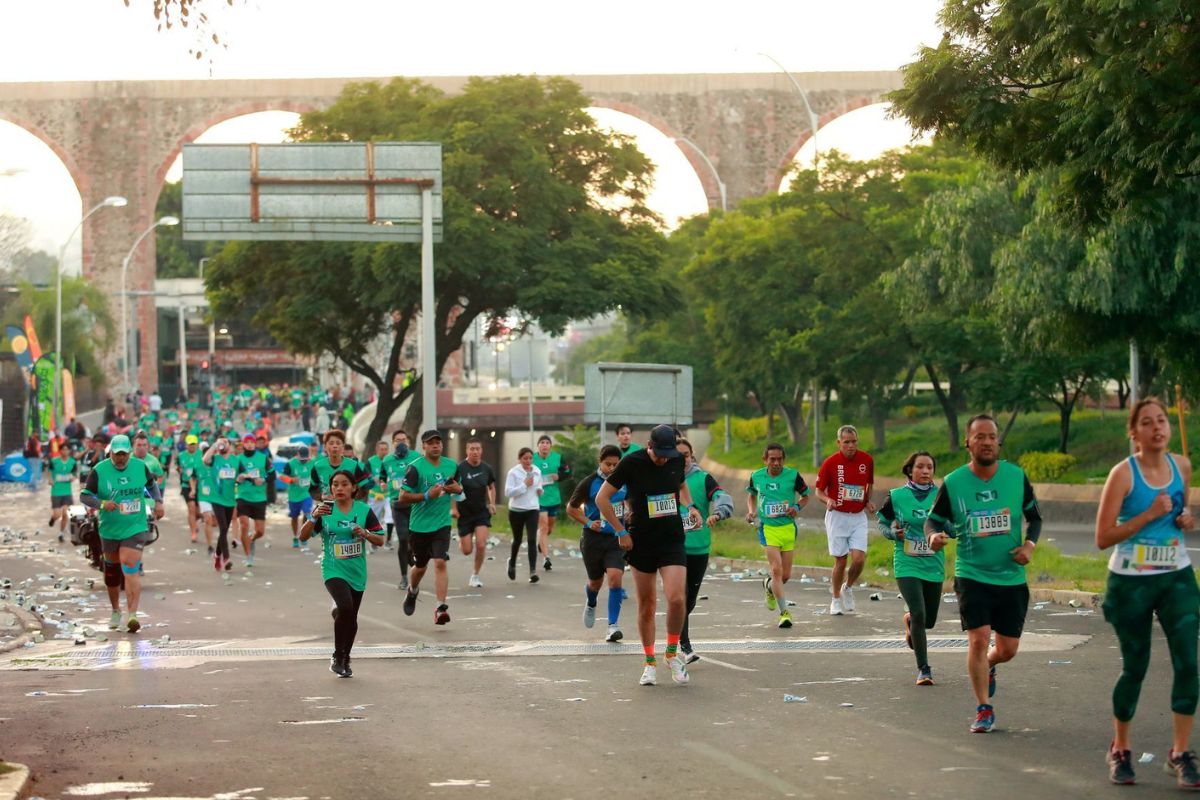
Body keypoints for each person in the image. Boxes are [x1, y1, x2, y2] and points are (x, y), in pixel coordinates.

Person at [1095, 397, 1200, 787]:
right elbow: (1103, 536)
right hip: (1131, 581)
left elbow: (1181, 513)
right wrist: (1149, 515)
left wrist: (1185, 519)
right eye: (1147, 422)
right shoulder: (1123, 474)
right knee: (1135, 667)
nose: (1157, 427)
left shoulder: (1182, 466)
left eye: (1162, 420)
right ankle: (1120, 748)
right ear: (1134, 432)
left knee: (1188, 664)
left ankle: (1180, 753)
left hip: (1176, 576)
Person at [925, 414, 1041, 734]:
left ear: (998, 442)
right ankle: (983, 709)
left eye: (991, 436)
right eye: (980, 437)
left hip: (1011, 576)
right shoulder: (954, 482)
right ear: (968, 443)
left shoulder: (1016, 477)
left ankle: (990, 663)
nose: (987, 442)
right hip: (972, 574)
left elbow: (1035, 517)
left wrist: (1029, 545)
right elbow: (933, 520)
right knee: (978, 639)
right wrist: (933, 537)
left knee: (1007, 650)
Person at [596, 424, 701, 687]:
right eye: (659, 454)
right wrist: (620, 531)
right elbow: (601, 498)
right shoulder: (631, 463)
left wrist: (691, 506)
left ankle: (671, 654)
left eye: (668, 454)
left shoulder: (675, 459)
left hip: (671, 539)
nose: (664, 459)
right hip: (641, 541)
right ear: (649, 446)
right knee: (648, 604)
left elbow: (681, 485)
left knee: (677, 598)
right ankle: (650, 662)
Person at [299, 469, 384, 678]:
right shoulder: (325, 510)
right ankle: (337, 656)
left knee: (351, 616)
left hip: (357, 570)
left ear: (354, 487)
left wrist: (365, 533)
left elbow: (380, 539)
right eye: (335, 484)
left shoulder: (364, 510)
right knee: (345, 606)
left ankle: (346, 658)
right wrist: (313, 517)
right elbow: (303, 536)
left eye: (344, 484)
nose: (339, 488)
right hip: (333, 568)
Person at [80, 434, 163, 633]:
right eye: (117, 454)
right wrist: (102, 504)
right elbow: (85, 496)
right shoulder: (99, 471)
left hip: (135, 526)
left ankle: (133, 615)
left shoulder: (140, 467)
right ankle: (116, 610)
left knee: (129, 565)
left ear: (129, 452)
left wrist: (159, 502)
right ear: (111, 453)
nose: (121, 458)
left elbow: (152, 485)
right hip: (109, 528)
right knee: (112, 572)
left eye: (124, 454)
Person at [876, 451, 943, 685]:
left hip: (933, 562)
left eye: (929, 467)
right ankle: (924, 669)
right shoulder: (896, 496)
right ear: (910, 470)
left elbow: (952, 525)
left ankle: (910, 622)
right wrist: (893, 533)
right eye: (920, 467)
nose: (925, 471)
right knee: (919, 613)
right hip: (907, 562)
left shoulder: (941, 496)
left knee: (929, 620)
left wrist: (950, 532)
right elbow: (882, 523)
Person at [399, 430, 463, 625]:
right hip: (419, 526)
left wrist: (458, 490)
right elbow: (403, 496)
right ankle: (412, 591)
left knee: (440, 562)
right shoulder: (415, 468)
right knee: (420, 566)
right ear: (424, 446)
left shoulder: (451, 465)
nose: (435, 445)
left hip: (442, 524)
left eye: (438, 442)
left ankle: (441, 608)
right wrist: (426, 496)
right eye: (431, 443)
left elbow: (459, 491)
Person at [677, 438, 732, 661]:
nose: (682, 459)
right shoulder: (663, 479)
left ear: (691, 456)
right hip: (673, 549)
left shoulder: (703, 478)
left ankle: (675, 629)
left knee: (689, 600)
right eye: (677, 455)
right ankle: (684, 645)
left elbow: (720, 496)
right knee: (680, 597)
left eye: (685, 455)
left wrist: (719, 512)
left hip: (699, 548)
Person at [566, 445, 628, 642]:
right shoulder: (589, 482)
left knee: (615, 578)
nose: (612, 468)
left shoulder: (625, 481)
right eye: (608, 464)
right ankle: (591, 602)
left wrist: (629, 514)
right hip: (593, 539)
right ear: (600, 462)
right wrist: (588, 522)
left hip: (616, 537)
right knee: (595, 582)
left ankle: (612, 626)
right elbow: (571, 508)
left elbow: (631, 501)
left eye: (616, 464)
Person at [746, 443, 811, 629]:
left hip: (788, 528)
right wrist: (751, 511)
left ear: (784, 459)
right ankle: (784, 613)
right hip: (768, 528)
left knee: (785, 575)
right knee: (776, 569)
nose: (776, 463)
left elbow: (806, 496)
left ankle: (769, 586)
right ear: (765, 460)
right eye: (772, 459)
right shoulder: (756, 476)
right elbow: (752, 495)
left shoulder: (793, 475)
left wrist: (797, 507)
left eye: (779, 459)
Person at [815, 425, 875, 616]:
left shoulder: (866, 460)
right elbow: (818, 491)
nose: (851, 446)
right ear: (839, 442)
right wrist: (827, 500)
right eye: (847, 442)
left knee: (859, 559)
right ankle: (835, 599)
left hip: (858, 516)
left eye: (854, 442)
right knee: (841, 561)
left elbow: (869, 484)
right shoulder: (830, 463)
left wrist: (867, 501)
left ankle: (847, 587)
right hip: (837, 516)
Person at [453, 437, 497, 588]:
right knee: (466, 550)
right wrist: (453, 508)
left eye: (478, 449)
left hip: (481, 512)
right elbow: (452, 488)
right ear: (467, 450)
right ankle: (462, 540)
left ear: (481, 450)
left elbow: (491, 487)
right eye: (472, 449)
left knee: (481, 545)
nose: (475, 452)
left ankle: (475, 575)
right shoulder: (460, 468)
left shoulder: (487, 469)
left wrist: (492, 503)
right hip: (464, 513)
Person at [382, 430, 418, 589]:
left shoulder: (416, 457)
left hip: (414, 504)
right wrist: (383, 483)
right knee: (403, 538)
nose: (401, 442)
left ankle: (413, 562)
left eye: (404, 439)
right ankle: (404, 577)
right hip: (397, 504)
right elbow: (382, 476)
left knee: (413, 541)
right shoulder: (387, 460)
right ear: (393, 443)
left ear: (408, 442)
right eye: (398, 440)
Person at [504, 447, 543, 583]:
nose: (528, 461)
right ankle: (512, 563)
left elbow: (539, 485)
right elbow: (508, 492)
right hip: (516, 509)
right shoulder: (513, 473)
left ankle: (533, 571)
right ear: (519, 459)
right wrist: (524, 485)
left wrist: (540, 490)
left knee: (532, 539)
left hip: (533, 508)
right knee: (518, 539)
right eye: (525, 458)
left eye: (530, 458)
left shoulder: (537, 471)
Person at [532, 434, 570, 572]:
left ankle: (540, 542)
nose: (544, 445)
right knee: (543, 527)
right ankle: (546, 558)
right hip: (538, 498)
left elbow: (568, 471)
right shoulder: (532, 458)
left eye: (547, 443)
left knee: (549, 529)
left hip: (554, 498)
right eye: (542, 442)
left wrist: (559, 476)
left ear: (550, 446)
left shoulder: (557, 458)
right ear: (538, 446)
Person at [235, 434, 274, 566]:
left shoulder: (263, 458)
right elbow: (233, 478)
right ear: (243, 444)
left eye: (252, 442)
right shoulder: (238, 459)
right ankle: (248, 556)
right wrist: (238, 479)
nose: (250, 444)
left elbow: (272, 474)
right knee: (244, 525)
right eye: (247, 442)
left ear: (255, 444)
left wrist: (263, 479)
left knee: (260, 531)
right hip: (242, 496)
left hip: (259, 497)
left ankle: (252, 539)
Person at [202, 435, 239, 571]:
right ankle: (226, 558)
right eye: (221, 442)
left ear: (230, 445)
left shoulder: (236, 460)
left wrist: (243, 478)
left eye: (225, 442)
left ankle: (217, 555)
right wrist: (214, 446)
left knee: (225, 529)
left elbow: (242, 474)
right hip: (216, 499)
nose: (223, 444)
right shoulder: (215, 459)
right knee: (223, 527)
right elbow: (205, 459)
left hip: (230, 499)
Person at [308, 430, 370, 502]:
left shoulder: (353, 465)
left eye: (338, 443)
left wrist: (350, 498)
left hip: (348, 507)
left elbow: (364, 488)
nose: (335, 446)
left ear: (343, 447)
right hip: (327, 507)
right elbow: (313, 489)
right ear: (325, 447)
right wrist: (321, 497)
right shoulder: (318, 466)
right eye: (331, 443)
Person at [281, 443, 314, 548]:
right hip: (294, 496)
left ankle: (303, 535)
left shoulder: (312, 463)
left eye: (305, 459)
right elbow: (282, 477)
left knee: (307, 513)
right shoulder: (290, 464)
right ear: (297, 455)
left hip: (306, 493)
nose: (304, 461)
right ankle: (295, 536)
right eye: (302, 459)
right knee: (294, 517)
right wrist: (291, 480)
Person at [191, 441, 217, 555]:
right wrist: (193, 489)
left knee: (215, 522)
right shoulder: (198, 465)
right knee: (207, 519)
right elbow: (193, 478)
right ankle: (210, 545)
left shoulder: (218, 465)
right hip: (204, 497)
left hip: (217, 497)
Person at [48, 445, 78, 542]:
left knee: (65, 513)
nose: (65, 451)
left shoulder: (72, 462)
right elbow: (49, 472)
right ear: (60, 451)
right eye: (63, 449)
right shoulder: (54, 461)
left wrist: (73, 478)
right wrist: (50, 480)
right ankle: (53, 519)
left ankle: (61, 533)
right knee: (57, 514)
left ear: (69, 451)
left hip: (67, 492)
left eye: (66, 449)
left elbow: (75, 474)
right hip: (56, 492)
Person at [366, 440, 391, 551]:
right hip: (375, 496)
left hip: (388, 495)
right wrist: (373, 479)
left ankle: (388, 541)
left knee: (390, 517)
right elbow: (366, 475)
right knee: (374, 519)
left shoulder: (391, 461)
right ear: (377, 450)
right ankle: (374, 541)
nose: (384, 452)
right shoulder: (371, 461)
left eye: (386, 449)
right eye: (382, 449)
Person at [177, 435, 202, 544]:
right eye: (190, 444)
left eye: (193, 444)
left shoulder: (201, 454)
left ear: (196, 444)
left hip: (200, 485)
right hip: (186, 485)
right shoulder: (181, 456)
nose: (192, 446)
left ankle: (195, 523)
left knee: (199, 512)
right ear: (186, 445)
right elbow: (179, 468)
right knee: (191, 508)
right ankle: (193, 533)